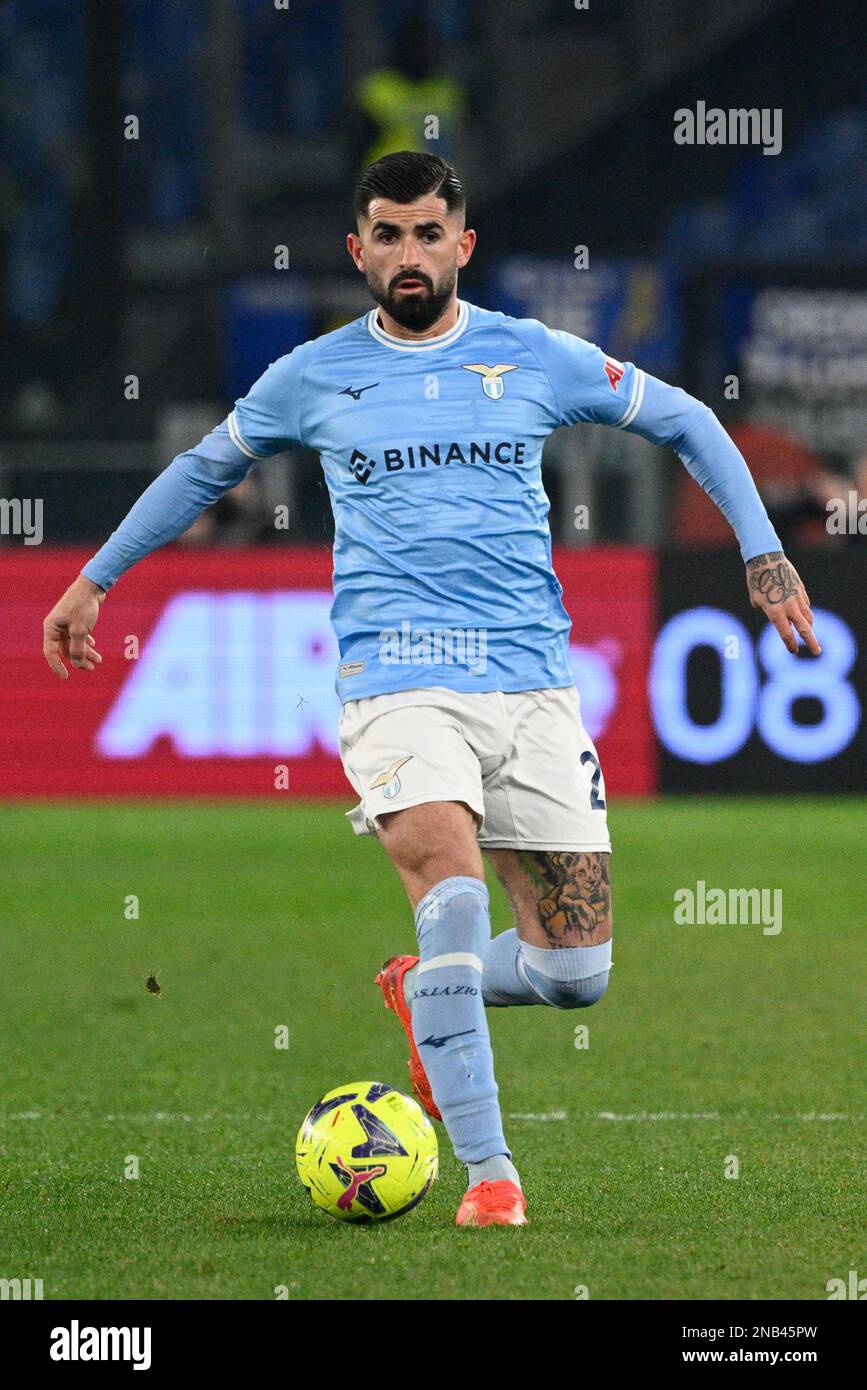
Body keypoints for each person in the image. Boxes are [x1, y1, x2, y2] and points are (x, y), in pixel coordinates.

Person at [42, 151, 820, 1229]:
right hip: (397, 684)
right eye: (387, 236)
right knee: (450, 894)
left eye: (427, 233)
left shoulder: (530, 356)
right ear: (359, 250)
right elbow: (204, 470)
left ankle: (425, 989)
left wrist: (762, 553)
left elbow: (687, 417)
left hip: (533, 684)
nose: (409, 254)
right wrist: (94, 579)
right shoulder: (310, 376)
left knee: (573, 971)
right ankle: (491, 1175)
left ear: (463, 245)